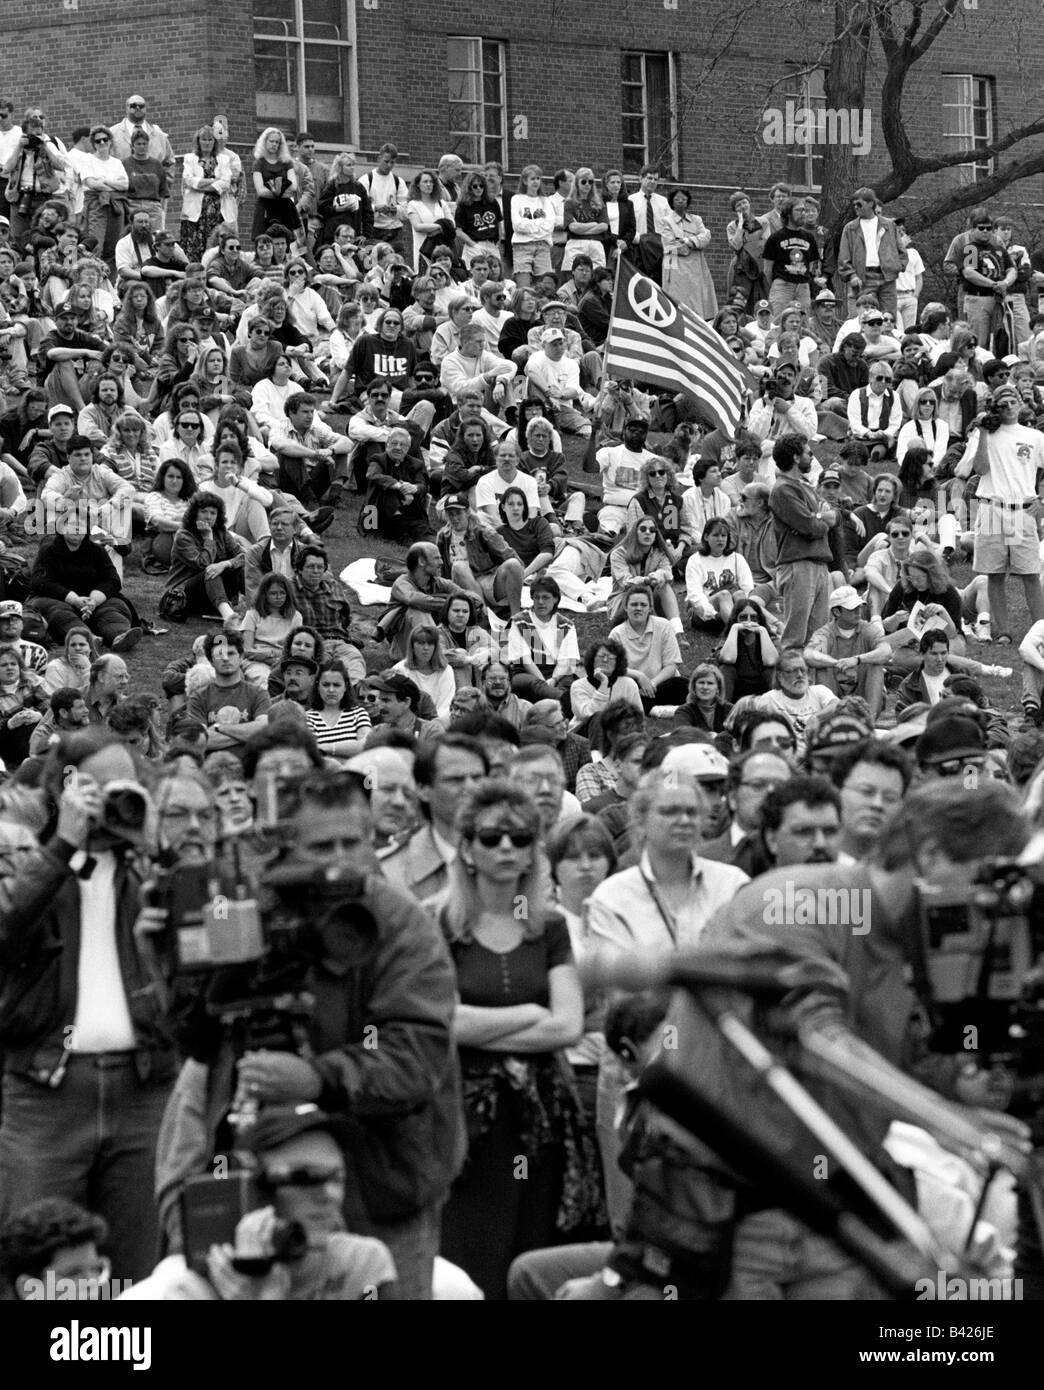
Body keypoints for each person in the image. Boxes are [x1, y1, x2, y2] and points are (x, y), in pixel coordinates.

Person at [0, 732, 178, 1282]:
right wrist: (63, 846)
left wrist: (153, 847)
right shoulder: (32, 857)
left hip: (144, 1089)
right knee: (38, 1266)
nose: (110, 798)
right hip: (46, 1090)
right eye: (94, 785)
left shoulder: (148, 869)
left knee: (134, 1270)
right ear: (67, 787)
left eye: (122, 784)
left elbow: (210, 933)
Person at [434, 779, 597, 1299]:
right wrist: (530, 1012)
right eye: (492, 836)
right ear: (466, 847)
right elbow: (440, 1024)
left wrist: (479, 1026)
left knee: (531, 1253)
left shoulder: (547, 927)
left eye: (521, 837)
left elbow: (568, 1026)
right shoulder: (437, 923)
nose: (507, 847)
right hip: (464, 1122)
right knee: (468, 1254)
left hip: (540, 1120)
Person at [958, 382, 1044, 641]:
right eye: (1002, 403)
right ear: (995, 407)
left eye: (1012, 402)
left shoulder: (1035, 437)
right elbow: (981, 469)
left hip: (1023, 509)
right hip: (992, 506)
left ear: (1020, 402)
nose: (1008, 407)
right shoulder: (984, 434)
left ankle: (1039, 630)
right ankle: (1004, 631)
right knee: (994, 575)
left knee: (1030, 574)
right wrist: (983, 432)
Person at [379, 733, 489, 902]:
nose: (471, 788)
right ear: (423, 790)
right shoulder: (391, 873)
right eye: (455, 780)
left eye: (477, 778)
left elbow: (526, 915)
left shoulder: (520, 851)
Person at [27, 518, 140, 651]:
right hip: (57, 599)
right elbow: (40, 581)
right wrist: (74, 599)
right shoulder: (48, 550)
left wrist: (94, 600)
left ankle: (119, 636)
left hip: (92, 601)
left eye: (80, 526)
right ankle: (87, 640)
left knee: (114, 606)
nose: (77, 529)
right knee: (57, 612)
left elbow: (112, 580)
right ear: (62, 529)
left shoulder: (97, 551)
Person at [769, 433, 835, 649]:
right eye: (808, 452)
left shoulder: (805, 485)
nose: (812, 457)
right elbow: (810, 527)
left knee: (818, 638)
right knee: (794, 637)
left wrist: (820, 518)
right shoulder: (783, 489)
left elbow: (832, 516)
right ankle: (785, 681)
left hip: (819, 564)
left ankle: (812, 683)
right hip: (798, 565)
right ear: (796, 457)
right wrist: (820, 518)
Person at [804, 585, 891, 717]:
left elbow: (886, 652)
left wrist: (857, 660)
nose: (858, 611)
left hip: (863, 694)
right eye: (852, 609)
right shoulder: (825, 633)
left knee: (876, 665)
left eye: (859, 607)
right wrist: (835, 663)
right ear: (837, 612)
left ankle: (870, 719)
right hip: (835, 694)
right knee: (821, 666)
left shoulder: (868, 629)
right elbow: (809, 655)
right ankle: (832, 714)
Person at [437, 492, 525, 618]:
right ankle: (484, 616)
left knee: (513, 564)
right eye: (451, 514)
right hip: (460, 583)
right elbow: (441, 569)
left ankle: (515, 616)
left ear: (467, 512)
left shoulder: (484, 531)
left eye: (458, 513)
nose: (454, 518)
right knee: (459, 567)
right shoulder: (443, 537)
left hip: (487, 580)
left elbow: (510, 555)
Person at [608, 584, 687, 710]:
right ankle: (656, 708)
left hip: (660, 682)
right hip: (634, 684)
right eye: (634, 605)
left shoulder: (664, 626)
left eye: (643, 605)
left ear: (650, 608)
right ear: (626, 608)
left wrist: (652, 684)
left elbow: (671, 665)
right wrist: (639, 676)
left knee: (684, 685)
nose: (638, 608)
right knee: (620, 687)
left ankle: (644, 707)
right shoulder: (616, 634)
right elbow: (612, 667)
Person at [836, 187, 906, 320]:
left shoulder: (888, 225)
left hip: (887, 277)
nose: (856, 207)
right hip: (863, 278)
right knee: (864, 317)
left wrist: (898, 266)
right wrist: (852, 275)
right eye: (854, 204)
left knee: (889, 318)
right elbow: (844, 257)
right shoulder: (850, 228)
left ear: (871, 204)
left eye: (859, 204)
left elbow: (901, 250)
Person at [684, 516, 754, 630]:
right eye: (716, 535)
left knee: (740, 594)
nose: (720, 539)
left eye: (723, 536)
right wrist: (713, 614)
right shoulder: (695, 560)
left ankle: (748, 627)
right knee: (724, 595)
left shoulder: (737, 558)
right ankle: (737, 631)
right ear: (706, 537)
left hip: (732, 609)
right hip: (704, 613)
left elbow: (748, 589)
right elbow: (694, 595)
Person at [661, 186, 716, 319]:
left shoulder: (697, 220)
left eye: (684, 199)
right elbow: (670, 245)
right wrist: (694, 244)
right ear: (672, 201)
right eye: (677, 199)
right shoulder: (665, 221)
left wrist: (688, 240)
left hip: (697, 267)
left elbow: (706, 237)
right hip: (673, 265)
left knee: (697, 302)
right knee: (676, 300)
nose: (681, 201)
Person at [762, 198, 819, 322]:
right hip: (782, 285)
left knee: (803, 324)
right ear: (788, 214)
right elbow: (767, 270)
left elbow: (812, 265)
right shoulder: (775, 238)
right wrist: (777, 286)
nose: (803, 213)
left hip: (803, 287)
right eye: (799, 210)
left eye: (804, 210)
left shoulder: (809, 238)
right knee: (778, 322)